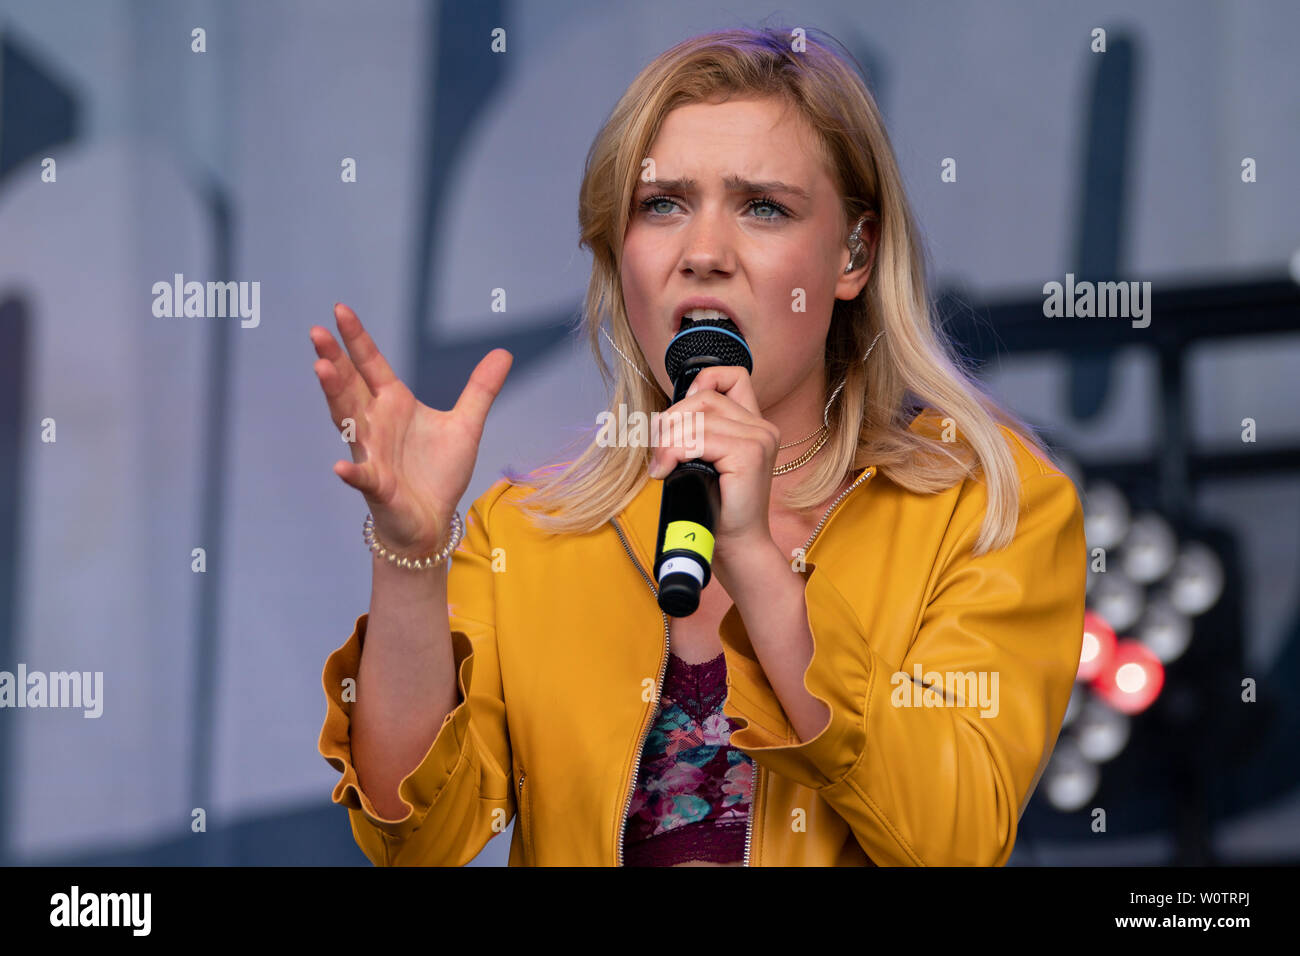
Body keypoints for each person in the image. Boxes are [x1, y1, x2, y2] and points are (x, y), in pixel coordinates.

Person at [311, 25, 1086, 867]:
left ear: (854, 253)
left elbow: (954, 839)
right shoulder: (526, 537)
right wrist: (409, 554)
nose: (704, 254)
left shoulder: (985, 507)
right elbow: (413, 835)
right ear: (622, 252)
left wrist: (755, 559)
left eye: (763, 207)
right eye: (663, 204)